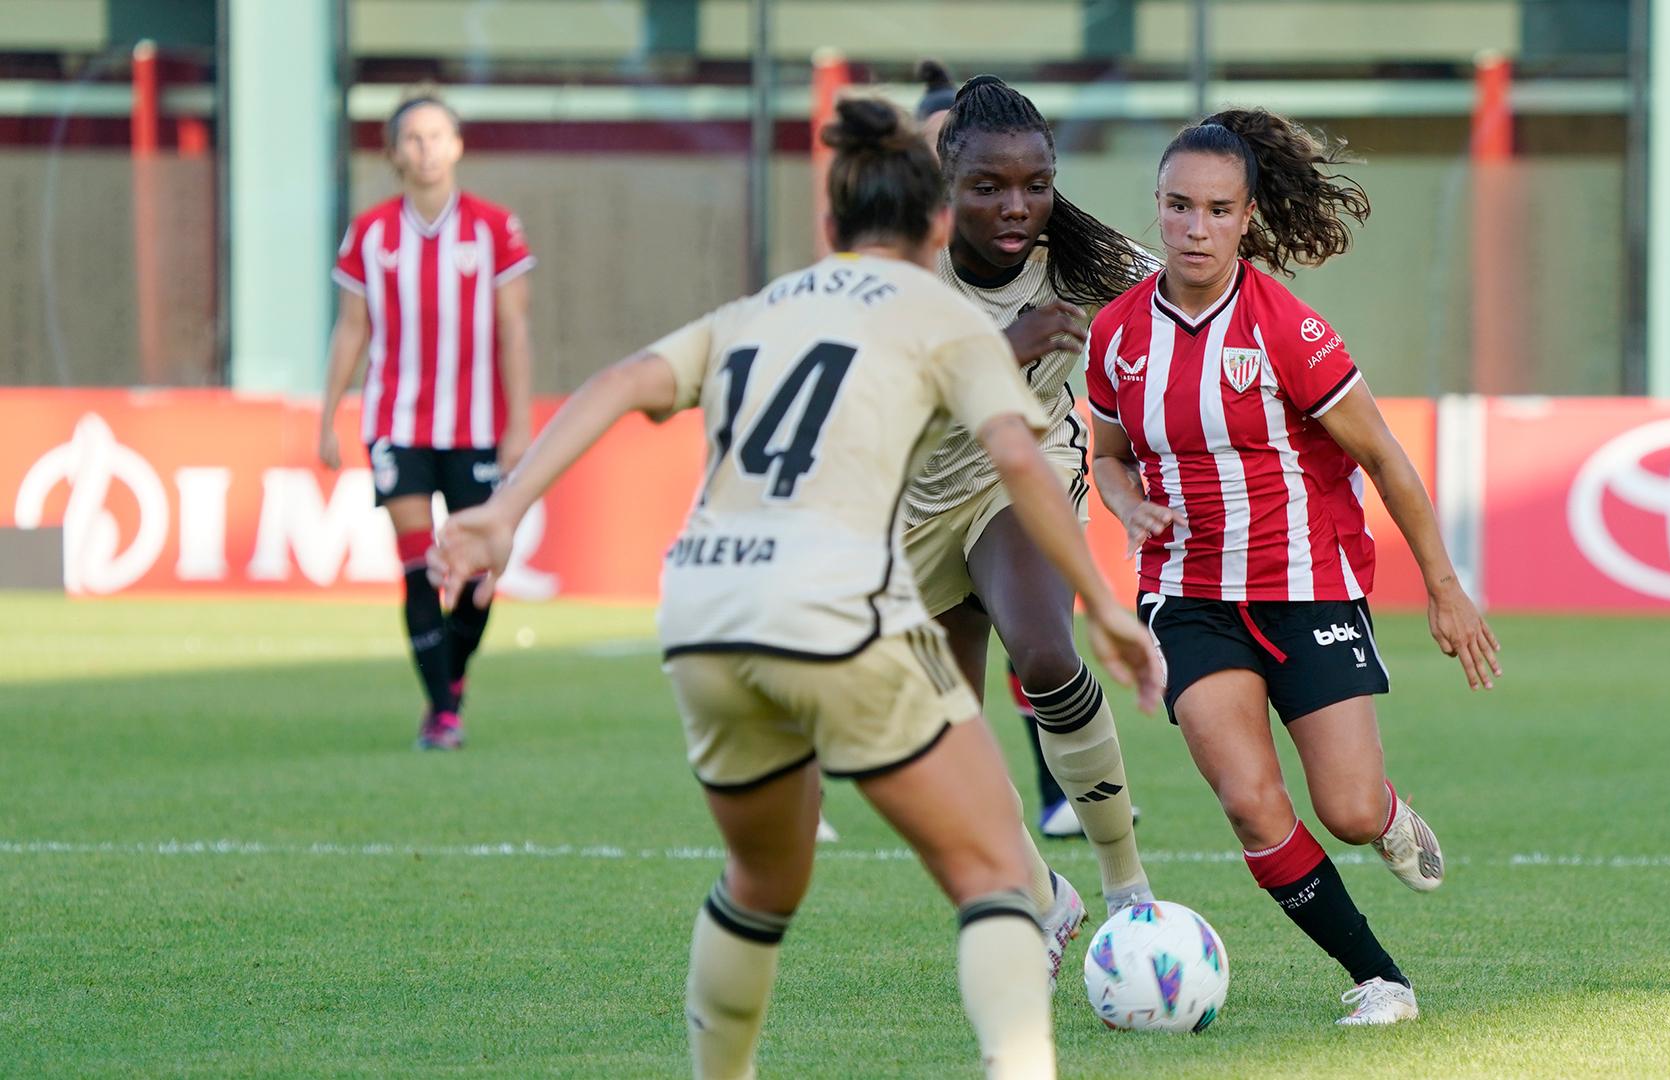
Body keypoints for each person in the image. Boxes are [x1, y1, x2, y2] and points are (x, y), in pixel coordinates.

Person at [435, 98, 1162, 1080]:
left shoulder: (765, 308)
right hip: (836, 602)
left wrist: (501, 510)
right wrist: (1107, 605)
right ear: (937, 220)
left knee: (760, 884)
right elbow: (1020, 457)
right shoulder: (938, 315)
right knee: (993, 871)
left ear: (828, 225)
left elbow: (622, 379)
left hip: (702, 613)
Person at [1085, 108, 1502, 1026]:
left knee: (1344, 810)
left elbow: (1384, 457)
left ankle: (1383, 815)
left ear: (1247, 217)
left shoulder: (1287, 329)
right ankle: (1380, 979)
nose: (1196, 228)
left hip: (1307, 588)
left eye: (1218, 210)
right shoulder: (1116, 334)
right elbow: (1107, 456)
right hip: (1188, 597)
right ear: (1158, 206)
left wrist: (1445, 590)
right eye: (1179, 206)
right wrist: (1124, 502)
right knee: (1249, 802)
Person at [904, 73, 1161, 920]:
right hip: (909, 508)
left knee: (1046, 655)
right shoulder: (900, 265)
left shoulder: (1080, 260)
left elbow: (1192, 297)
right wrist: (1004, 348)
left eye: (1036, 185)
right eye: (988, 187)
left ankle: (1127, 889)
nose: (1017, 206)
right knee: (937, 747)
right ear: (947, 184)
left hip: (1022, 471)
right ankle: (1048, 897)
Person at [319, 88, 534, 751]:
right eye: (413, 138)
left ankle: (452, 681)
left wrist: (519, 424)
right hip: (398, 424)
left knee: (476, 570)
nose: (427, 149)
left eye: (437, 136)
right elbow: (351, 329)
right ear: (394, 154)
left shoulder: (494, 228)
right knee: (419, 567)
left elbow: (514, 328)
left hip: (476, 427)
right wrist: (327, 416)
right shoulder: (371, 233)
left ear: (458, 146)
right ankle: (443, 713)